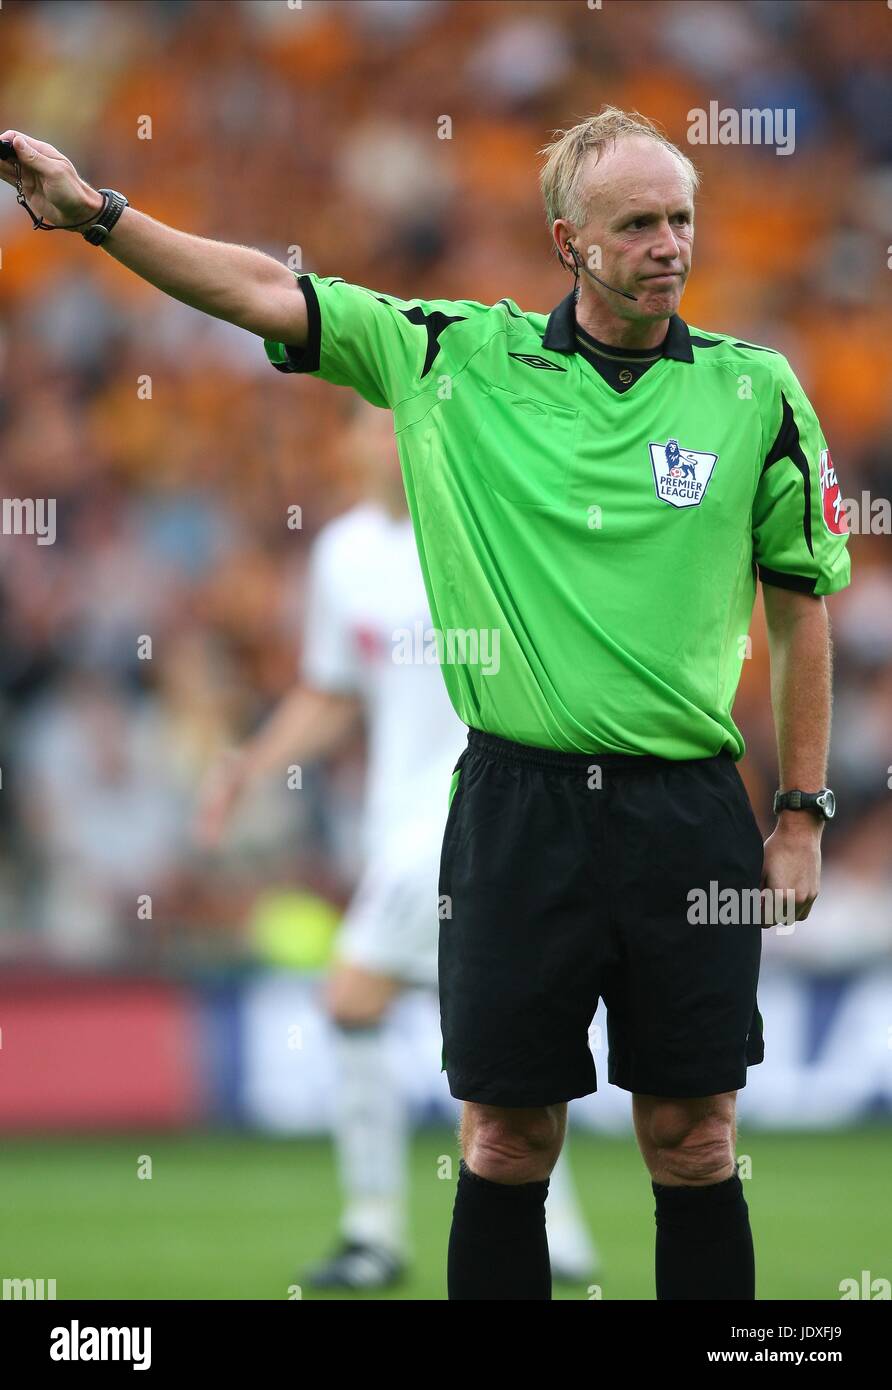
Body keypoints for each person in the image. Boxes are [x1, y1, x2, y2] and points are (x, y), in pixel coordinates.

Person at [0, 104, 850, 1301]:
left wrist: (804, 809)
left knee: (695, 1137)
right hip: (515, 809)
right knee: (504, 1143)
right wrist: (99, 214)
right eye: (638, 223)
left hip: (686, 814)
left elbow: (800, 600)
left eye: (681, 220)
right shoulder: (453, 355)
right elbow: (259, 291)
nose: (669, 244)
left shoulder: (754, 392)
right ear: (569, 239)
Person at [194, 398, 598, 1290]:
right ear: (343, 444)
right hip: (397, 827)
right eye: (370, 424)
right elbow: (334, 691)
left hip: (476, 808)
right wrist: (250, 764)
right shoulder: (342, 554)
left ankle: (373, 1231)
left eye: (402, 420)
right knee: (493, 1026)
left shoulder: (480, 525)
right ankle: (558, 1232)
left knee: (353, 996)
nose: (389, 436)